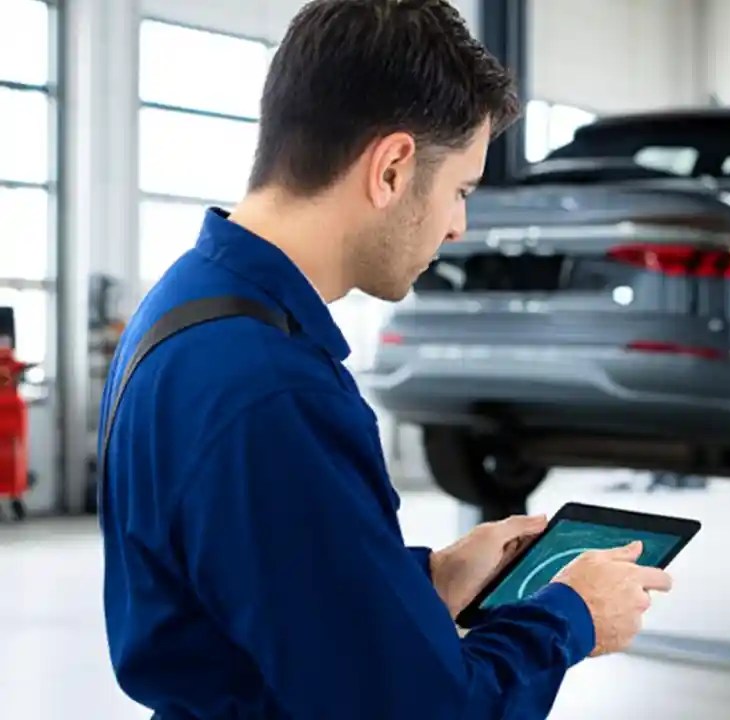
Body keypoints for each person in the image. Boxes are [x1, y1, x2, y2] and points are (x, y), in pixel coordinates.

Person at [98, 1, 673, 718]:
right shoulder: (275, 390)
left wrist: (429, 582)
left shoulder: (188, 306)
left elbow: (259, 589)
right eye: (460, 190)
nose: (459, 225)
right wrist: (572, 617)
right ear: (393, 168)